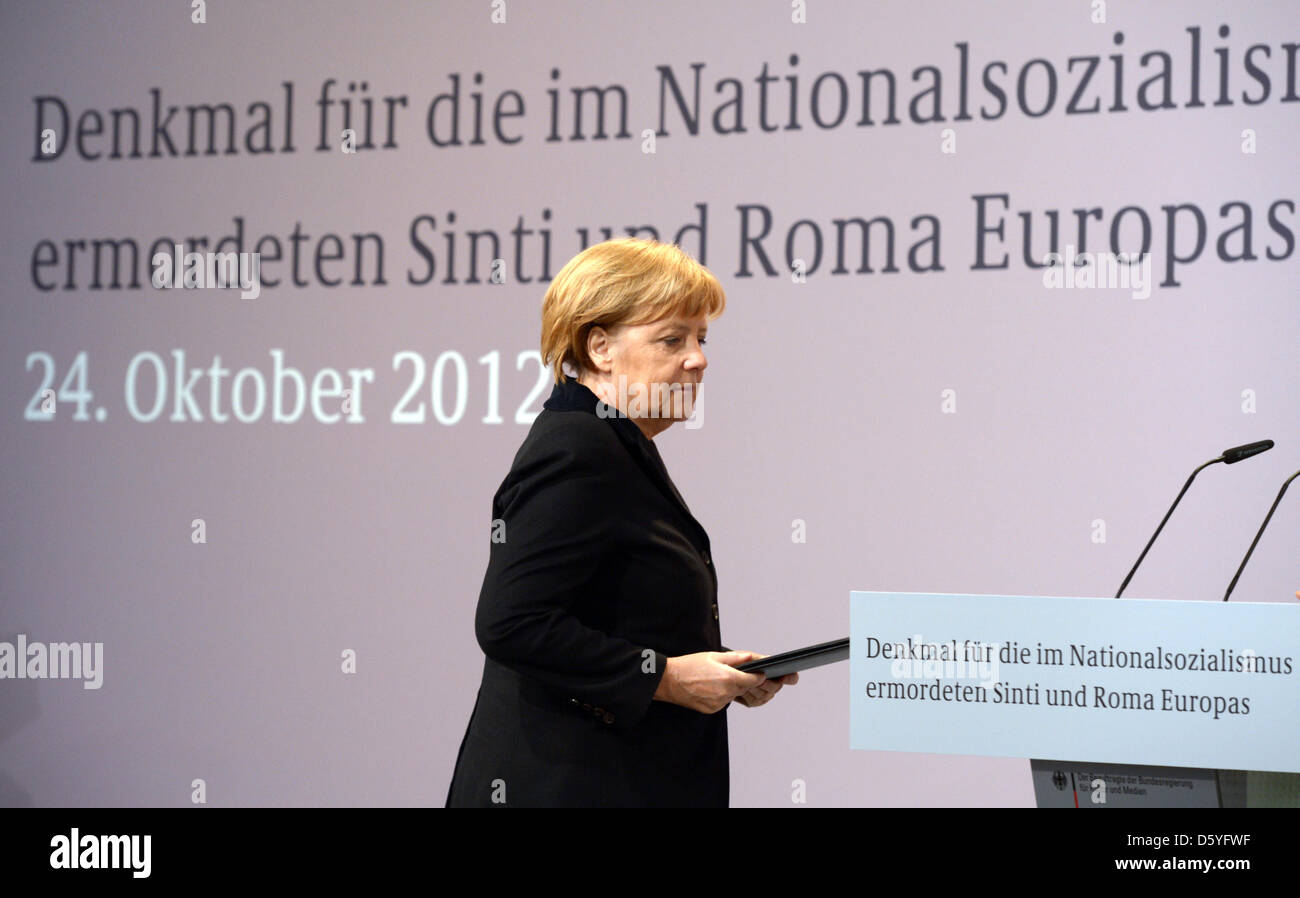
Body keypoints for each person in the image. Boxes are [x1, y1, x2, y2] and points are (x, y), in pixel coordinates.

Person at [445, 237, 796, 807]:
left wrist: (712, 671)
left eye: (701, 338)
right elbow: (512, 622)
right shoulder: (579, 449)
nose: (699, 358)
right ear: (600, 346)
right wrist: (669, 679)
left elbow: (613, 614)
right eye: (672, 339)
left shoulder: (614, 444)